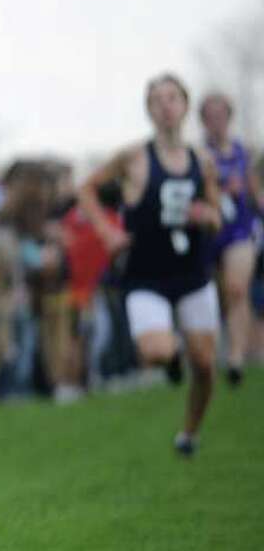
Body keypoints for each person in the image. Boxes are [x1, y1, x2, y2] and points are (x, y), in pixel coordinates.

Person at [79, 73, 222, 457]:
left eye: (172, 97)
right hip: (145, 274)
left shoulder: (202, 160)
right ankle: (172, 358)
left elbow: (216, 214)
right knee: (155, 351)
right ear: (149, 110)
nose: (165, 106)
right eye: (157, 100)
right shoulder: (133, 158)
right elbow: (86, 189)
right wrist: (108, 232)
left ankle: (189, 433)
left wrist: (206, 216)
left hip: (191, 273)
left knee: (205, 364)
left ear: (185, 105)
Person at [198, 92, 263, 387]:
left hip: (240, 229)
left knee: (238, 289)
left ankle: (236, 357)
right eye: (210, 116)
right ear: (203, 120)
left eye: (221, 115)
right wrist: (222, 192)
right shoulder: (199, 154)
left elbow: (255, 191)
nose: (216, 121)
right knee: (221, 295)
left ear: (228, 117)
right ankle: (223, 346)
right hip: (211, 232)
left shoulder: (242, 151)